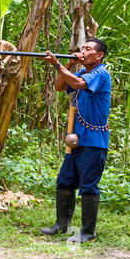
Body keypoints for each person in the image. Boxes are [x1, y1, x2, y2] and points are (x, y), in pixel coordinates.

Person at [39, 38, 111, 243]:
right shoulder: (82, 72)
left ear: (99, 55)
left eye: (89, 49)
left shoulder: (100, 73)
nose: (83, 51)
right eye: (82, 48)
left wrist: (57, 64)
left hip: (94, 142)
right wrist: (68, 64)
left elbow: (78, 84)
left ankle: (88, 233)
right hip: (76, 140)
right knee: (65, 181)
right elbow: (60, 86)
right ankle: (62, 226)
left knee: (88, 186)